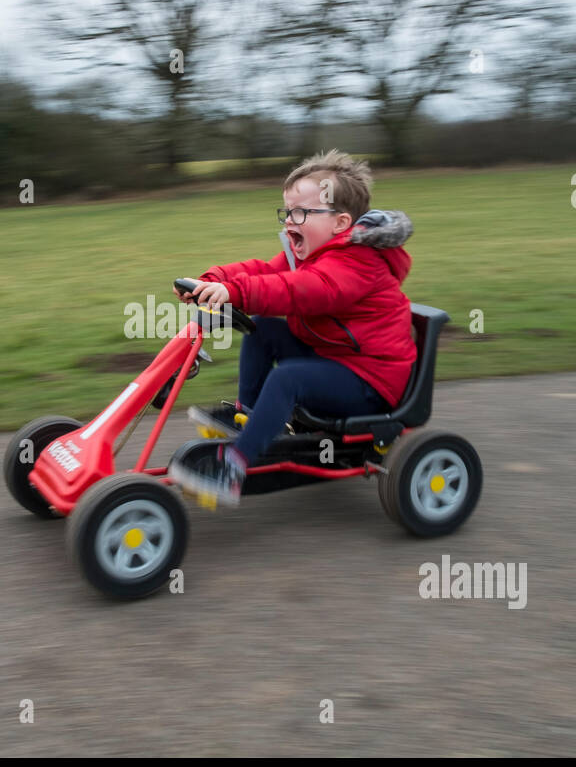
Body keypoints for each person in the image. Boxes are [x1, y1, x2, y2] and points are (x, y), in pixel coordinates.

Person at [168, 150, 416, 506]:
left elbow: (302, 291)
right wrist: (214, 281)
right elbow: (263, 272)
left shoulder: (358, 262)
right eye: (287, 212)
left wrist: (235, 292)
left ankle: (234, 469)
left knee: (289, 377)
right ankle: (247, 415)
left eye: (301, 213)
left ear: (341, 223)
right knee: (264, 328)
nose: (289, 222)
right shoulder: (308, 253)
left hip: (369, 379)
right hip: (334, 358)